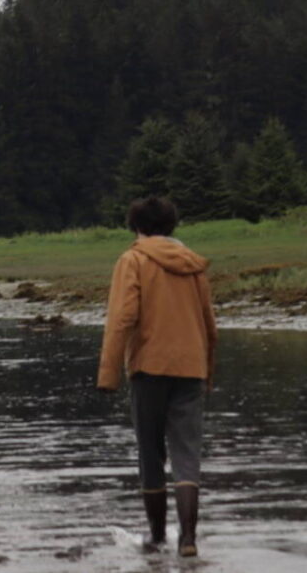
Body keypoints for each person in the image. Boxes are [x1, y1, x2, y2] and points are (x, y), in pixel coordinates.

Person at [97, 195, 217, 556]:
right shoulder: (193, 264)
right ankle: (189, 540)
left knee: (150, 453)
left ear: (136, 227)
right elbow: (210, 324)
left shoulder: (131, 260)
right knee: (187, 455)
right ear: (172, 226)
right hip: (191, 366)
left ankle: (157, 536)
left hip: (149, 367)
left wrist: (108, 374)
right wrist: (207, 369)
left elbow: (122, 319)